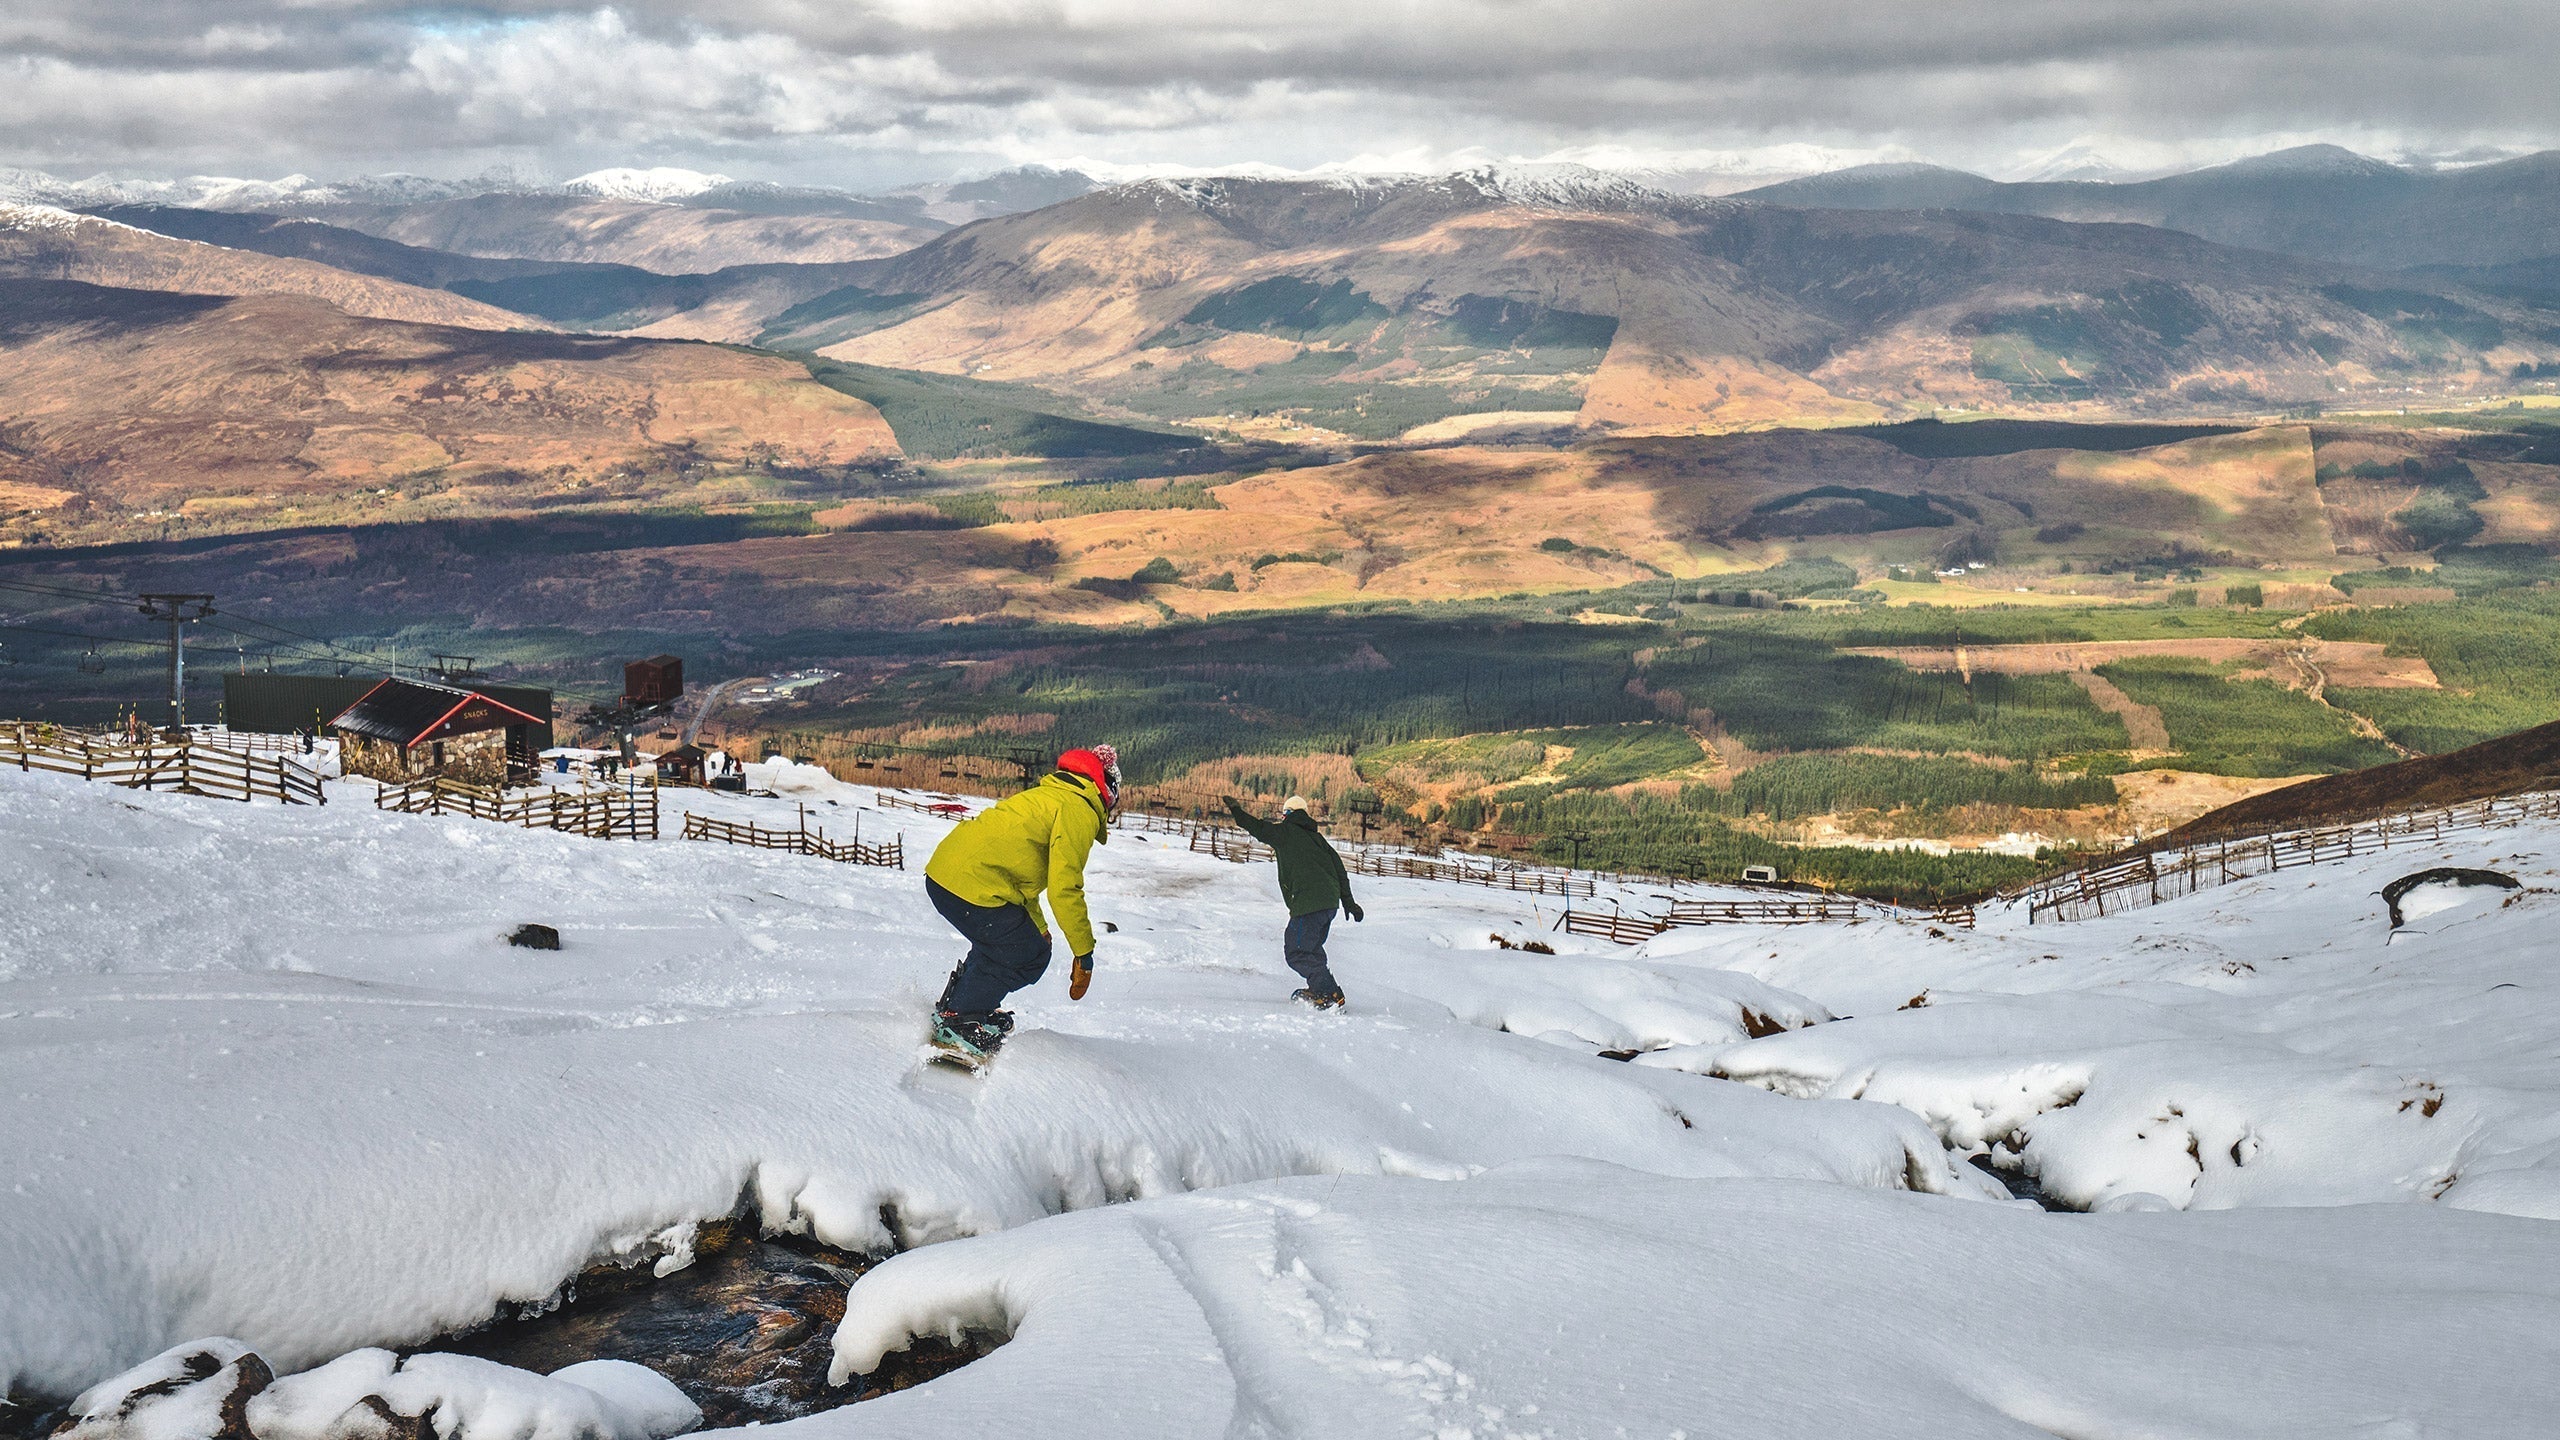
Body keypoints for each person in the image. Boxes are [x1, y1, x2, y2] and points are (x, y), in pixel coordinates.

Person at [920, 744, 1120, 1064]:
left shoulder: (1050, 795)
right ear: (1107, 789)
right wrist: (1084, 953)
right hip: (971, 885)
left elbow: (1021, 881)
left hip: (949, 876)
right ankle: (961, 1019)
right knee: (1027, 955)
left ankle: (964, 1006)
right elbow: (1064, 887)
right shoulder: (1079, 809)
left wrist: (1040, 928)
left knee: (1010, 942)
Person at [1222, 794, 1364, 1009]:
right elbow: (1339, 871)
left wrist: (1236, 810)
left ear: (1287, 814)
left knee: (1297, 951)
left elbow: (1255, 826)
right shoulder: (1319, 840)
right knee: (1312, 949)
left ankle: (1327, 993)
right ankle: (1323, 990)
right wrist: (1349, 903)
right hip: (1328, 904)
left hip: (1308, 903)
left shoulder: (1285, 832)